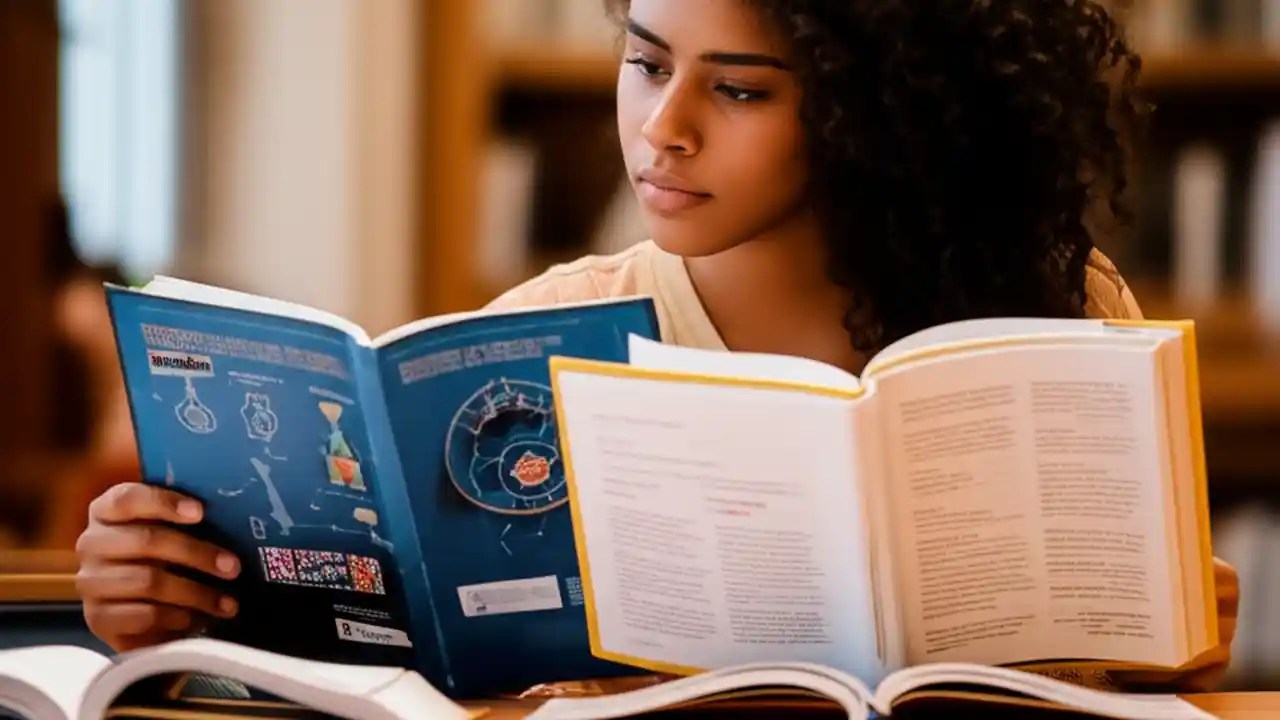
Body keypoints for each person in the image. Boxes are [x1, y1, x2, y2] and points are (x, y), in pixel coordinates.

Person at [75, 0, 1238, 690]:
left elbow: (1132, 678)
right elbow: (395, 666)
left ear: (873, 111)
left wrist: (1175, 632)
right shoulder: (533, 340)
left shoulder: (1055, 308)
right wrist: (175, 608)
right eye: (644, 62)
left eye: (734, 91)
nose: (662, 128)